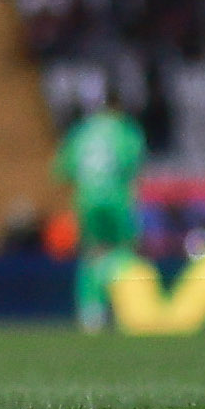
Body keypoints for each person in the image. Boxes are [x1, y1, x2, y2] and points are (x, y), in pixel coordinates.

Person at [60, 93, 149, 330]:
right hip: (116, 199)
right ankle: (128, 309)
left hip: (86, 199)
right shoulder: (126, 130)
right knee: (125, 252)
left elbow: (63, 170)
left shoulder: (81, 131)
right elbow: (132, 166)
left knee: (92, 255)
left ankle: (92, 313)